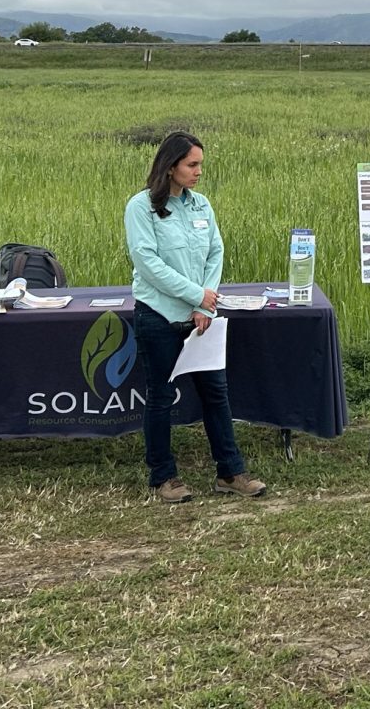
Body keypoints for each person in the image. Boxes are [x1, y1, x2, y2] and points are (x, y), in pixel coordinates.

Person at [124, 131, 267, 504]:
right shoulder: (140, 207)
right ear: (170, 167)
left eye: (200, 164)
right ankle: (163, 477)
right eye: (192, 164)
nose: (199, 171)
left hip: (201, 318)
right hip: (158, 316)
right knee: (160, 396)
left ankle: (231, 472)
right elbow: (148, 263)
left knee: (215, 394)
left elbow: (215, 253)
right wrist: (194, 295)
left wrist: (205, 305)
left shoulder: (201, 205)